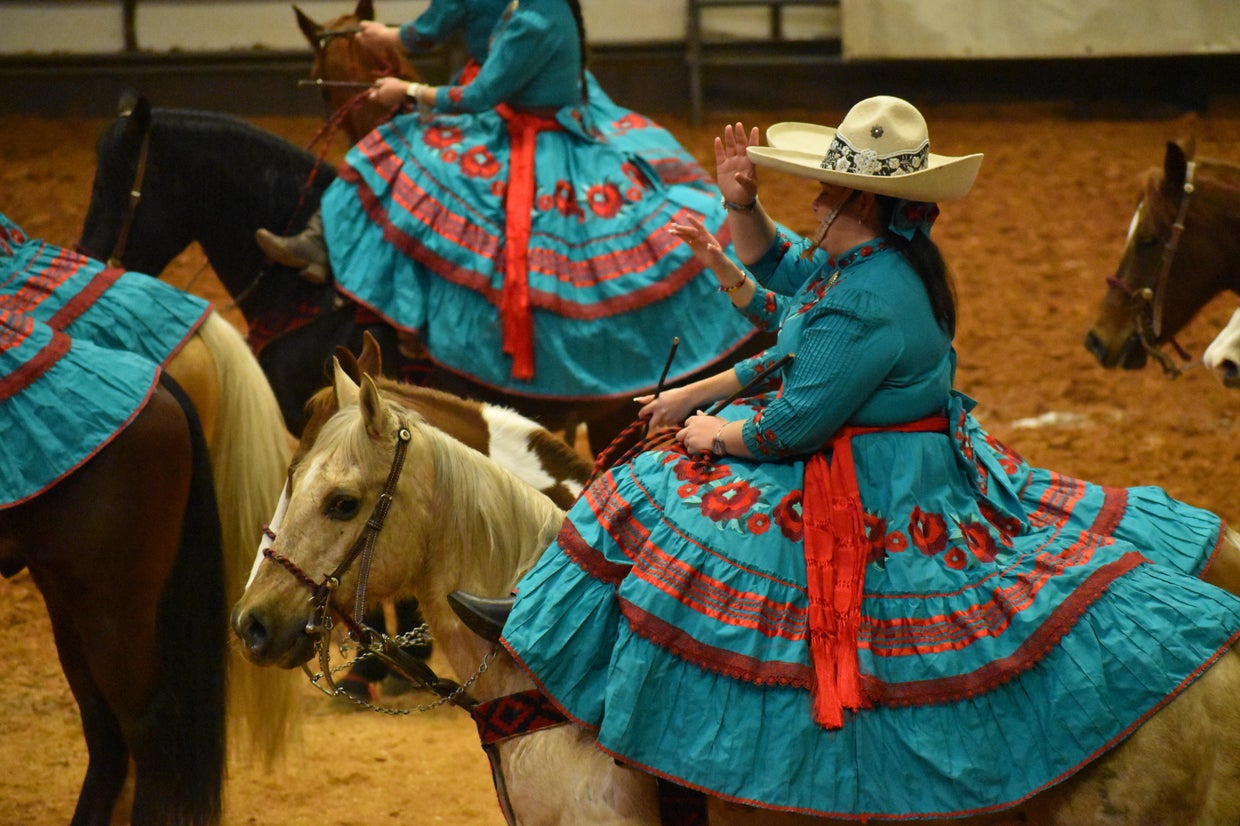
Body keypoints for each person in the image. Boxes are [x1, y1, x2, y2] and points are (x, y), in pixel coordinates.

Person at [485, 96, 1240, 819]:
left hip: (878, 485)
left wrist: (714, 430)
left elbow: (794, 425)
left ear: (864, 205)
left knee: (665, 503)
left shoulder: (867, 294)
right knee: (659, 494)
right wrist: (736, 222)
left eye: (829, 191)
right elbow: (791, 304)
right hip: (879, 457)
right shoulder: (873, 268)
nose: (815, 201)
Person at [257, 0, 756, 400]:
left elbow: (478, 93)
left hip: (535, 134)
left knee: (398, 151)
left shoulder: (533, 20)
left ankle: (391, 304)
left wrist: (404, 87)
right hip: (527, 113)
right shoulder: (536, 9)